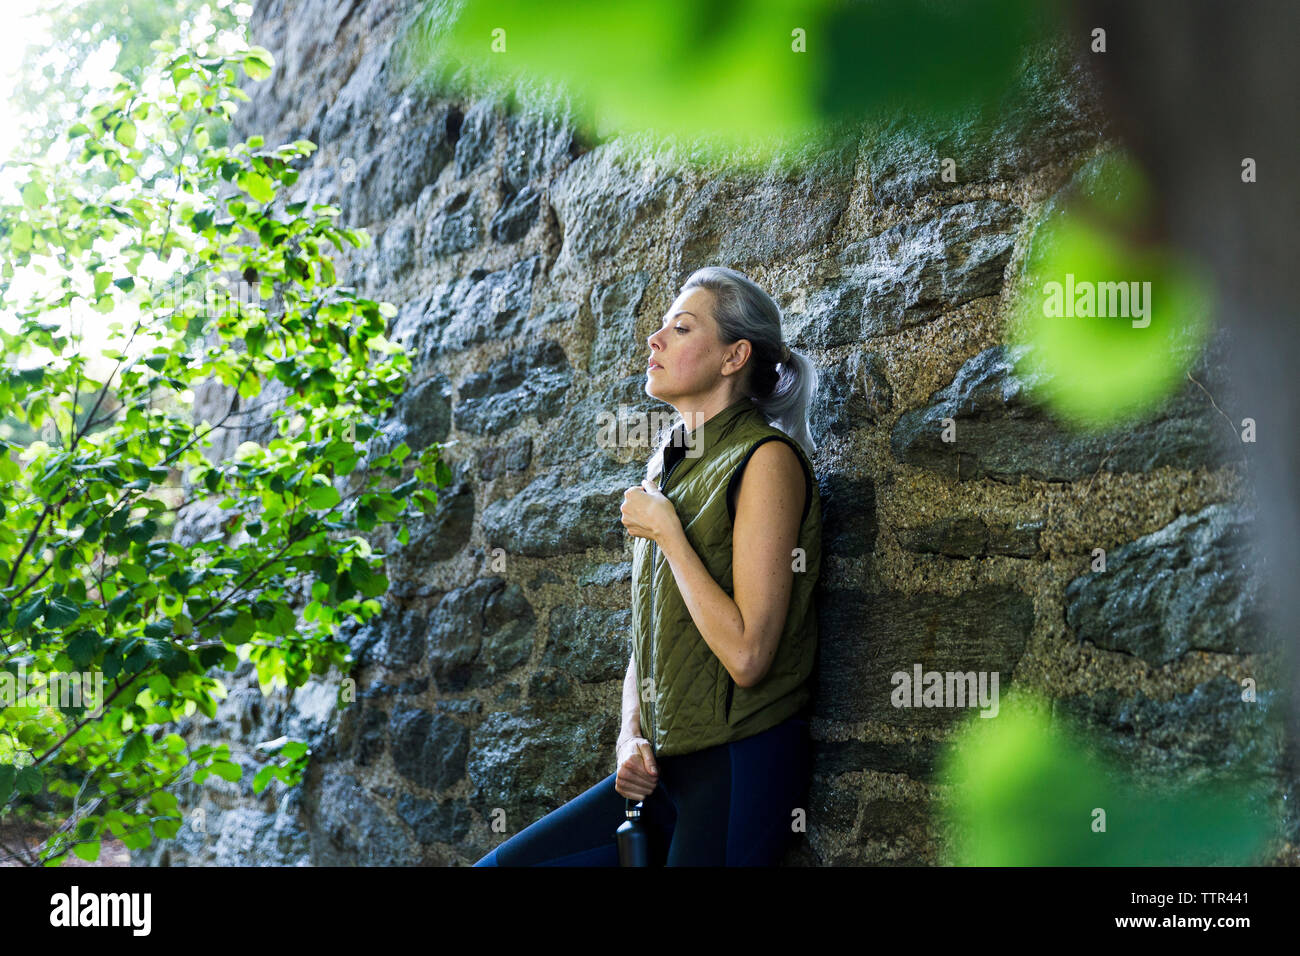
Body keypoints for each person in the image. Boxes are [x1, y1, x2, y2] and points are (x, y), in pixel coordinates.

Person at [473, 265, 822, 866]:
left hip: (740, 765)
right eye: (662, 327)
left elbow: (748, 657)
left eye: (680, 329)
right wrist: (629, 732)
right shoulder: (667, 468)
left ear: (734, 355)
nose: (653, 342)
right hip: (661, 769)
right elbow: (653, 630)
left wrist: (669, 534)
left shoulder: (766, 460)